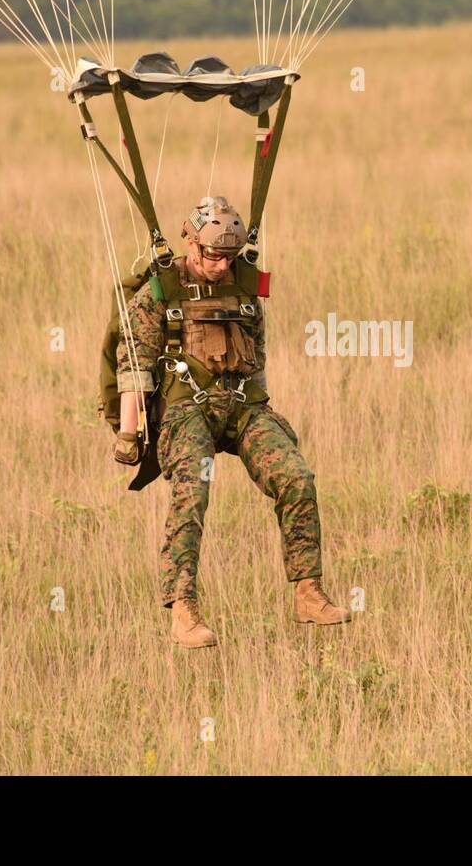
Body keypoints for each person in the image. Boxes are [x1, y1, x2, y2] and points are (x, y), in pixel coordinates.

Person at [113, 196, 351, 648]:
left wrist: (267, 412)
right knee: (192, 494)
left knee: (297, 477)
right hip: (187, 409)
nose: (220, 266)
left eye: (228, 256)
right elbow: (134, 365)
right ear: (190, 243)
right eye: (211, 255)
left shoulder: (244, 290)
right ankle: (183, 610)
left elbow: (256, 356)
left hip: (242, 406)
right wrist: (129, 432)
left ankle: (308, 593)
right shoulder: (161, 291)